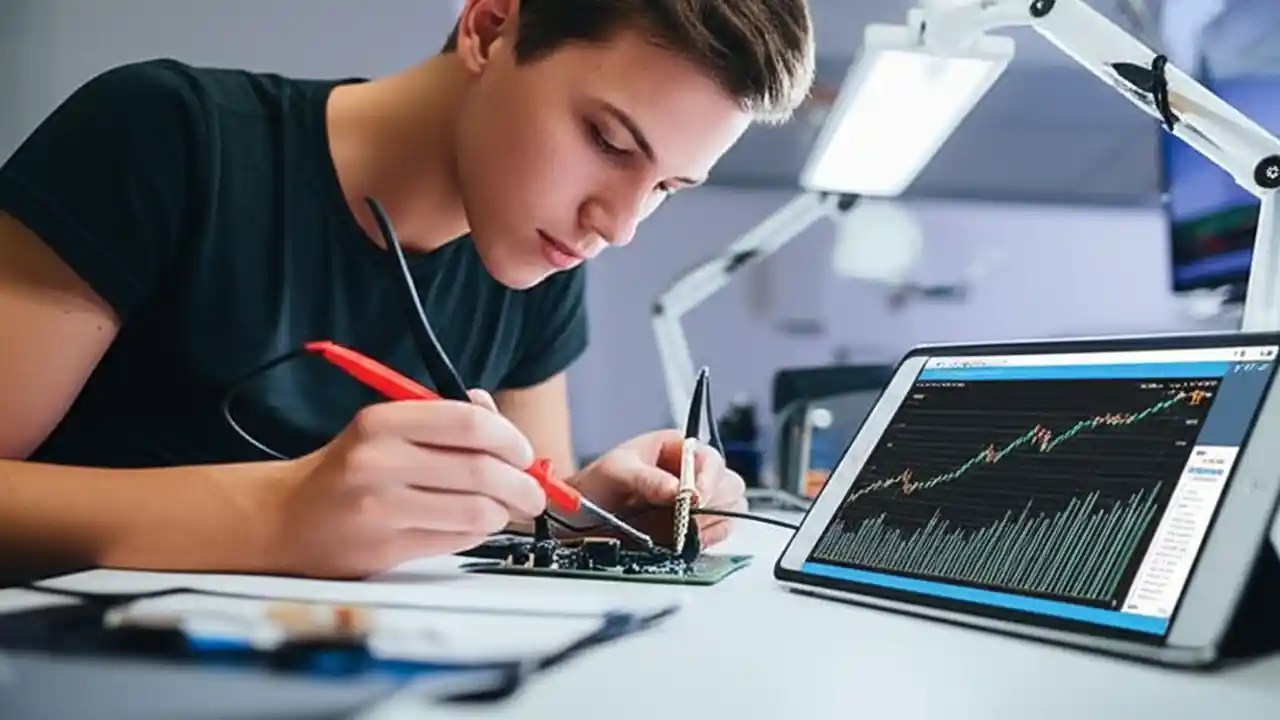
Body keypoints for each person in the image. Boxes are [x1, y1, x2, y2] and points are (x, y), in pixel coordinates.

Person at [0, 0, 816, 582]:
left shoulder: (538, 255)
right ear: (489, 28)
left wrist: (573, 511)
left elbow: (530, 496)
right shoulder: (166, 136)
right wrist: (278, 514)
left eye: (666, 186)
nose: (619, 224)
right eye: (606, 140)